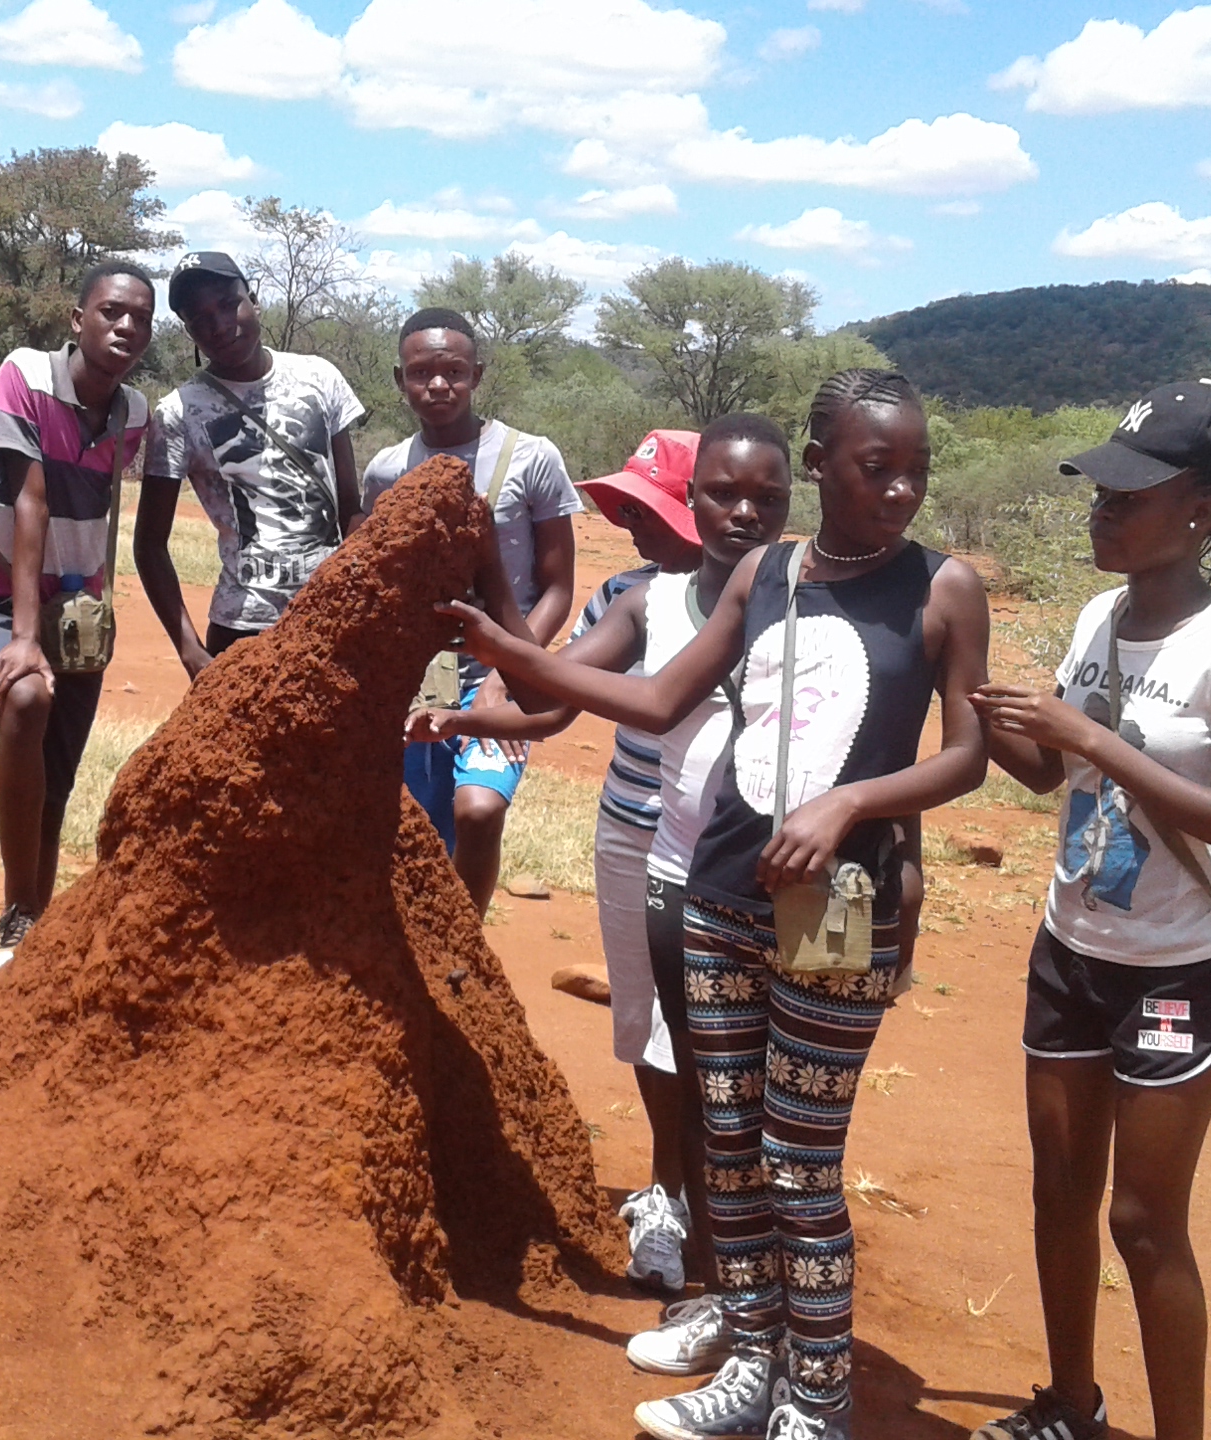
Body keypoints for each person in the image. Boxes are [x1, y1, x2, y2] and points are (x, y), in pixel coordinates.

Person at [442, 369, 992, 1440]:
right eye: (878, 468)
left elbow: (969, 755)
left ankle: (817, 1398)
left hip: (842, 907)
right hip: (718, 899)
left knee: (801, 1160)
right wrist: (512, 660)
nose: (902, 492)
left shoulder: (942, 587)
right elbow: (655, 698)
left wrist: (852, 804)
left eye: (916, 471)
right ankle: (751, 1361)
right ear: (827, 459)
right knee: (728, 1147)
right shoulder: (766, 578)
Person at [967, 381, 1211, 1440]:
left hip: (1174, 966)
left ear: (1199, 511)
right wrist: (977, 695)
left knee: (1143, 1226)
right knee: (1059, 1194)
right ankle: (1068, 1407)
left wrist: (1097, 738)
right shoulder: (1098, 618)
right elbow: (1048, 779)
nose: (1102, 509)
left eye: (1128, 494)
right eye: (1099, 489)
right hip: (1072, 947)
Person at [410, 422, 789, 1301]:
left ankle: (733, 1223)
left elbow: (642, 702)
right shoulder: (633, 596)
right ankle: (669, 1193)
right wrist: (470, 700)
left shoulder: (790, 597)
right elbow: (547, 694)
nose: (634, 525)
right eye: (631, 510)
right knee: (656, 1030)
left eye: (648, 509)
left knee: (731, 1046)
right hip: (640, 838)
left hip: (745, 851)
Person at [0, 260, 156, 974]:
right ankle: (17, 911)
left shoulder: (134, 413)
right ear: (78, 319)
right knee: (26, 697)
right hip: (3, 595)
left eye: (140, 318)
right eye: (111, 311)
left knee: (61, 777)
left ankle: (34, 933)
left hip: (82, 614)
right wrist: (21, 635)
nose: (126, 326)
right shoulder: (28, 373)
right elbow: (31, 501)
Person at [360, 308, 579, 915]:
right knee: (419, 825)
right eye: (421, 373)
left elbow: (558, 588)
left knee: (478, 812)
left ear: (476, 374)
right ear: (400, 379)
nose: (438, 385)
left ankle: (464, 945)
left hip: (501, 675)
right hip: (415, 677)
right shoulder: (386, 470)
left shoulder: (530, 458)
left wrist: (508, 674)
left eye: (453, 371)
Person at [134, 250, 365, 673]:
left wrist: (355, 591)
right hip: (243, 629)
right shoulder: (179, 412)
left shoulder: (319, 378)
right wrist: (188, 648)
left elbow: (350, 505)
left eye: (227, 304)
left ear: (253, 300)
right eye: (199, 318)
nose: (219, 325)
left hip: (333, 616)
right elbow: (149, 544)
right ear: (189, 331)